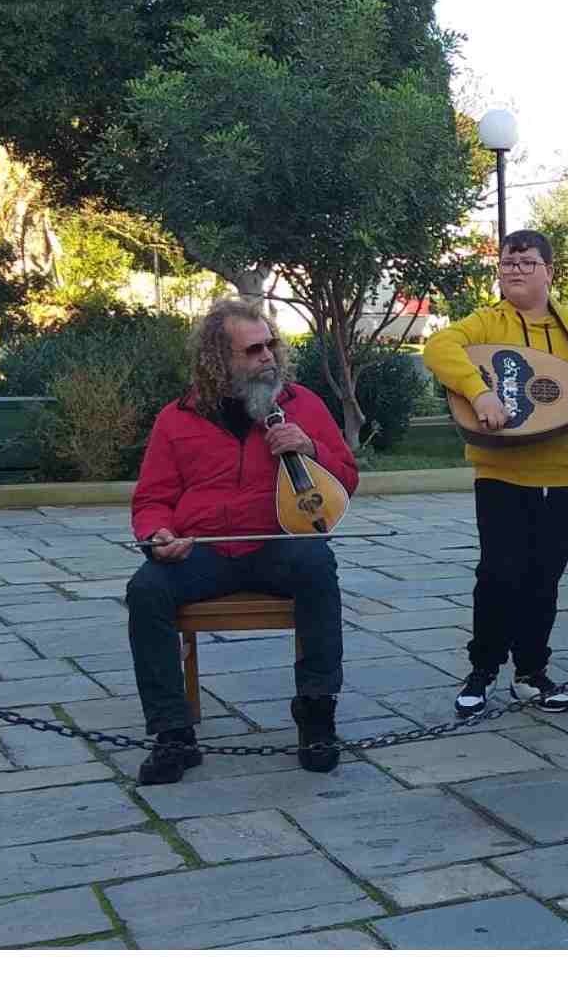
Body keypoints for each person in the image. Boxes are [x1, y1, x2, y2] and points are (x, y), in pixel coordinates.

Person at [123, 301, 360, 786]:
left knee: (317, 563)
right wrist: (157, 536)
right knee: (146, 589)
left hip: (275, 544)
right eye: (253, 350)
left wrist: (311, 449)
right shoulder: (177, 418)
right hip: (205, 550)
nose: (268, 357)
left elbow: (346, 480)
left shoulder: (303, 404)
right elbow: (152, 499)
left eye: (271, 344)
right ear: (218, 359)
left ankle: (316, 714)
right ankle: (173, 734)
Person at [420, 228, 568, 717]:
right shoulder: (486, 322)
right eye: (507, 263)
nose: (514, 270)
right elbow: (439, 347)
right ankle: (481, 672)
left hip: (562, 474)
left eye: (525, 263)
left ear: (549, 271)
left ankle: (531, 671)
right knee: (499, 573)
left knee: (544, 576)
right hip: (500, 471)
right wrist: (480, 392)